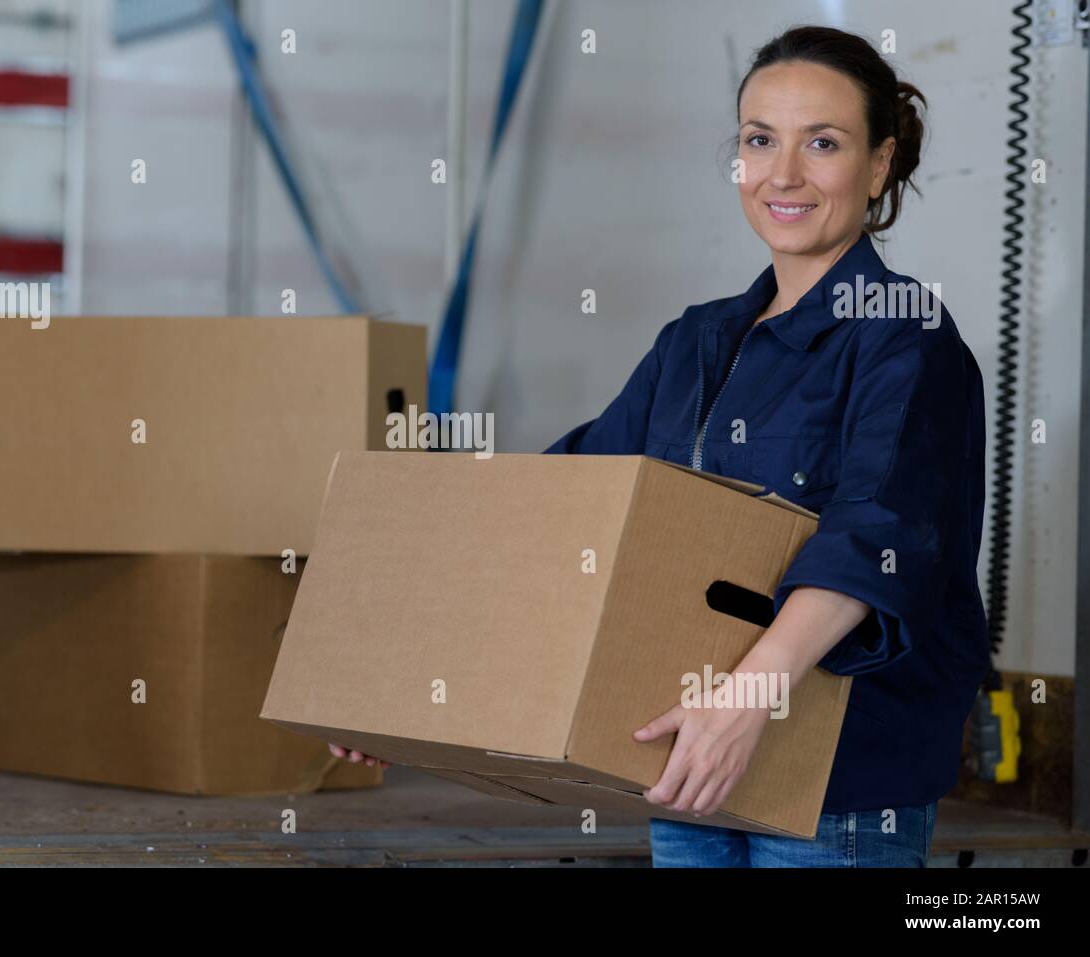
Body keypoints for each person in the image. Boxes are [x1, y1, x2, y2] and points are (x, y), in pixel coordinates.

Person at [334, 24, 990, 868]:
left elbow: (874, 537)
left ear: (879, 164)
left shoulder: (905, 339)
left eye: (821, 143)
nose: (782, 174)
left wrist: (744, 705)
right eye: (760, 140)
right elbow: (572, 499)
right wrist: (411, 680)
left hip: (837, 782)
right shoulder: (697, 342)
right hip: (680, 759)